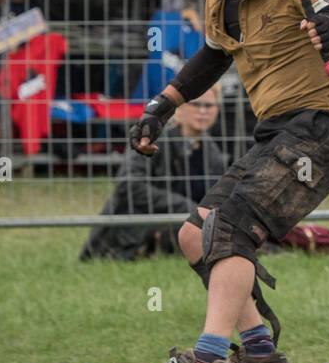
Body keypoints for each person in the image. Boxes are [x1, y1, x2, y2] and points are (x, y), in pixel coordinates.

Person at [126, 0, 329, 363]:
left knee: (230, 230)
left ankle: (209, 357)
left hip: (326, 127)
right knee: (195, 233)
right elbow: (214, 56)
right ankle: (260, 354)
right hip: (279, 132)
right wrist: (162, 106)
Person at [78, 85, 228, 261]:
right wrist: (185, 208)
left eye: (209, 106)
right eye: (196, 104)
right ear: (180, 107)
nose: (203, 111)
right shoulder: (150, 140)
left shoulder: (214, 153)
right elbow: (128, 186)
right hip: (128, 238)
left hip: (180, 235)